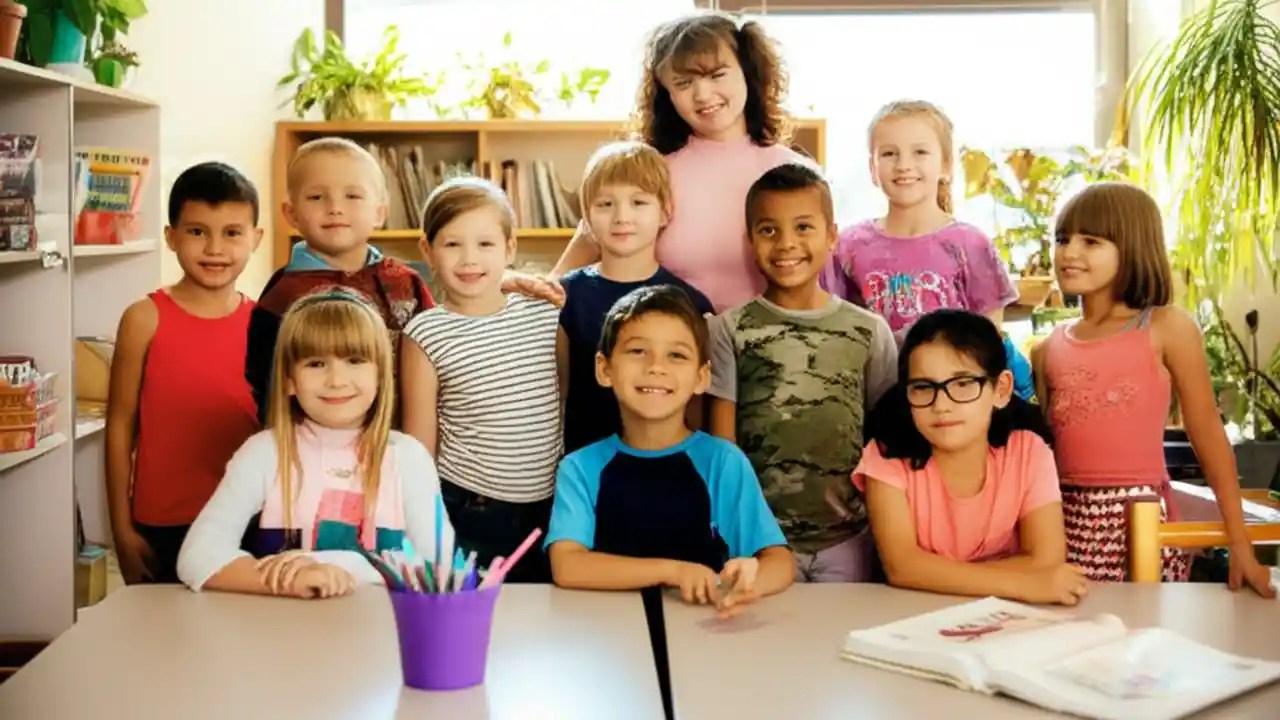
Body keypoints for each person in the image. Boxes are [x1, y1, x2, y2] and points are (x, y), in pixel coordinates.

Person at [1032, 182, 1275, 596]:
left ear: (1131, 247)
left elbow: (1208, 434)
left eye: (1090, 241)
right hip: (1061, 523)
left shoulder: (1167, 328)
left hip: (1142, 520)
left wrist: (1239, 541)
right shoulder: (1047, 348)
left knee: (1142, 647)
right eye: (1062, 239)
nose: (1069, 252)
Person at [176, 289, 452, 598]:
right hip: (281, 634)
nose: (336, 380)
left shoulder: (409, 457)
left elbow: (438, 567)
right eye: (316, 364)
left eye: (355, 360)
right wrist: (292, 580)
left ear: (381, 374)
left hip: (382, 636)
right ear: (289, 379)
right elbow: (197, 556)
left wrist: (345, 566)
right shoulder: (264, 453)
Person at [546, 285, 794, 611]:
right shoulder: (580, 467)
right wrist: (673, 571)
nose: (656, 367)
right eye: (638, 351)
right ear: (604, 368)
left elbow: (779, 561)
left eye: (676, 355)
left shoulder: (723, 462)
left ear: (701, 377)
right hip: (604, 633)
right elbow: (568, 566)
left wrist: (750, 583)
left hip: (702, 633)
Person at [544, 11, 807, 313]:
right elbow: (557, 281)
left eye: (717, 74)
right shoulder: (649, 170)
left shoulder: (792, 171)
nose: (703, 94)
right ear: (666, 94)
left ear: (748, 71)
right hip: (668, 352)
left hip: (766, 350)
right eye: (683, 83)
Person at [708, 162, 896, 582]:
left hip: (849, 536)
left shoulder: (869, 331)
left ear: (832, 235)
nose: (786, 244)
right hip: (760, 540)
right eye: (769, 230)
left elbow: (885, 442)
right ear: (749, 241)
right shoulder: (728, 329)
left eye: (804, 227)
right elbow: (724, 448)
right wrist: (740, 530)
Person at [854, 309, 1087, 605]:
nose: (941, 405)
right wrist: (1024, 584)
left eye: (963, 384)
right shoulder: (886, 456)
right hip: (912, 617)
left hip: (1009, 620)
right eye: (924, 388)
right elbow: (902, 567)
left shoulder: (1029, 451)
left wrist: (936, 576)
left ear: (1000, 389)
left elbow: (1046, 558)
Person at [104, 162, 263, 584]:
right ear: (171, 237)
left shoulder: (266, 324)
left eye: (232, 232)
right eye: (197, 231)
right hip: (162, 522)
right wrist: (121, 528)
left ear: (256, 239)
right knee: (163, 642)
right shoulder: (143, 319)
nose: (214, 248)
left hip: (245, 521)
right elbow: (120, 425)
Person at [401, 178, 562, 583]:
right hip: (469, 510)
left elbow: (565, 401)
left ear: (510, 248)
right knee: (473, 619)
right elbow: (420, 447)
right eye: (452, 244)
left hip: (549, 509)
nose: (469, 259)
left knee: (540, 623)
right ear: (428, 251)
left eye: (485, 244)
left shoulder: (545, 314)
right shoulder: (425, 333)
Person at [819, 100, 1033, 399]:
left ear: (946, 164)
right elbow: (833, 328)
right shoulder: (847, 246)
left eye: (920, 152)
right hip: (877, 406)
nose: (904, 164)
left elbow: (989, 342)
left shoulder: (971, 245)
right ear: (872, 167)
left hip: (951, 405)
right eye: (889, 153)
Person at [245, 137, 433, 424]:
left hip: (399, 443)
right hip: (312, 451)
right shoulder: (282, 295)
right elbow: (265, 389)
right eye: (317, 197)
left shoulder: (406, 284)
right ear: (291, 213)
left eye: (352, 196)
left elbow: (440, 356)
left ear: (380, 213)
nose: (335, 207)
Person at [559, 140, 713, 454]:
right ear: (586, 217)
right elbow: (557, 398)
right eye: (605, 204)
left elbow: (697, 410)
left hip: (669, 466)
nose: (621, 217)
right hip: (585, 468)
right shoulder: (565, 297)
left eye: (638, 202)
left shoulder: (691, 304)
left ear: (665, 212)